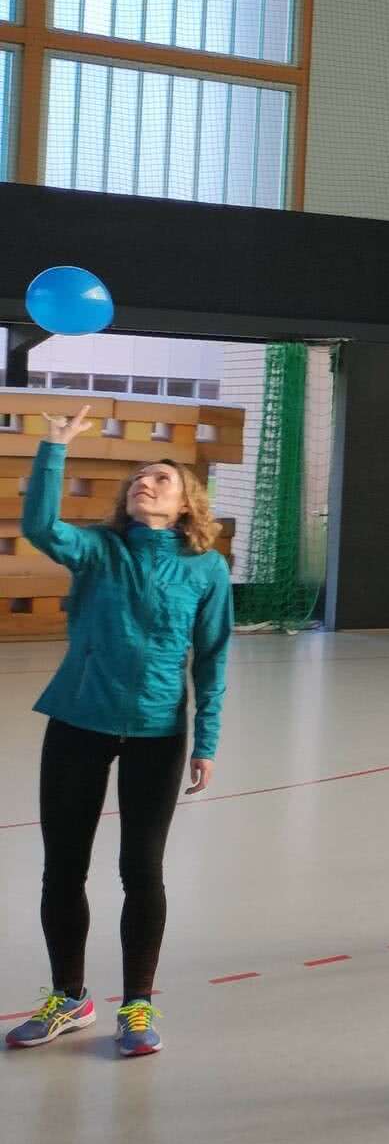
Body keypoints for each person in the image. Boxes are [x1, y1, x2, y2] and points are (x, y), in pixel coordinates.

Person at [5, 407, 232, 1059]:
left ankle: (137, 1004)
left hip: (158, 733)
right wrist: (53, 448)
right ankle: (69, 998)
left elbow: (212, 657)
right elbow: (39, 527)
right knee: (63, 867)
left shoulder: (206, 569)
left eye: (160, 478)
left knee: (141, 870)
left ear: (185, 504)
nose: (144, 484)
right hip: (79, 721)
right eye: (137, 479)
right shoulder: (99, 552)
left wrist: (207, 740)